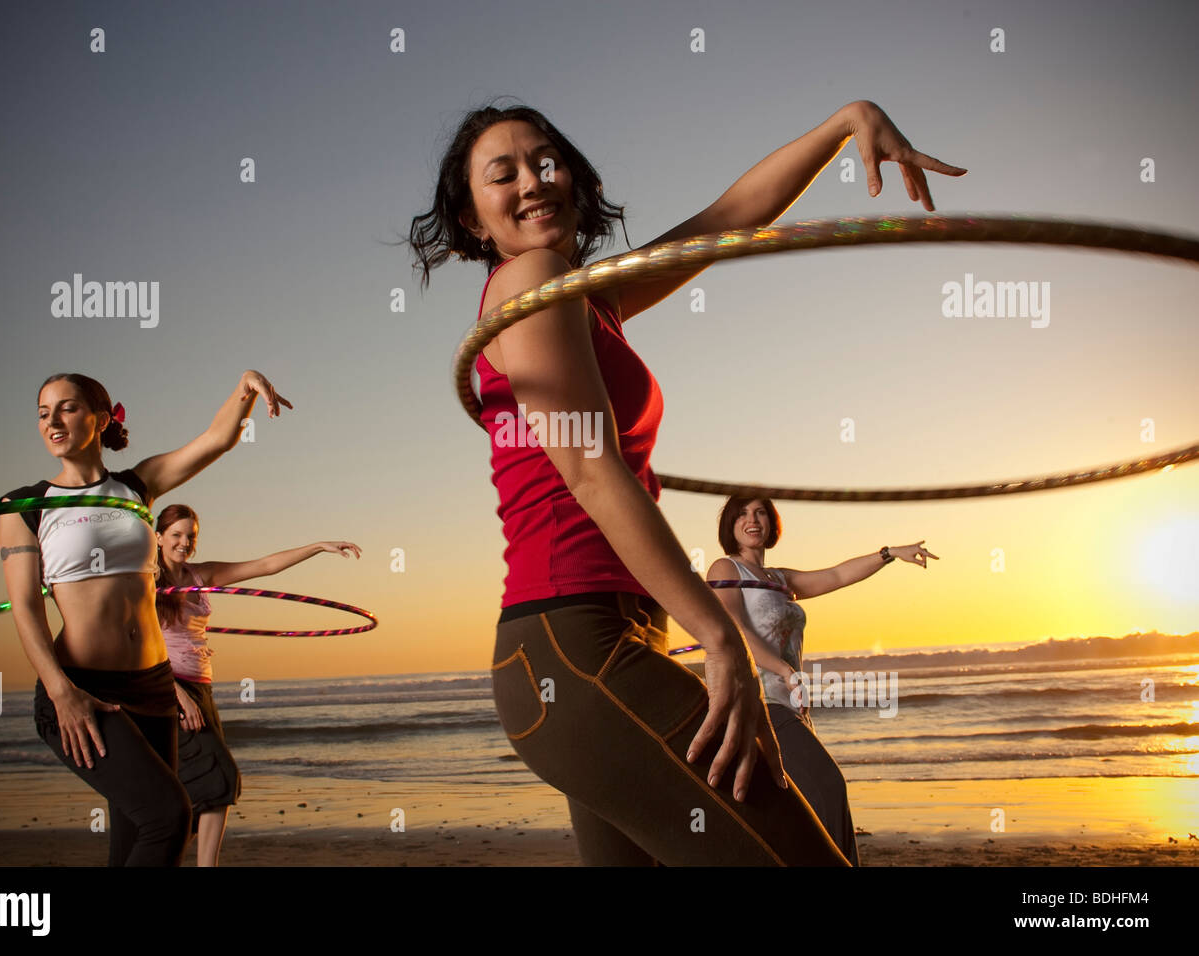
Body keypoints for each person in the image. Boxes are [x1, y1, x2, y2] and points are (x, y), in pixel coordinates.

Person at [406, 98, 963, 865]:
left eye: (546, 161)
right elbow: (595, 475)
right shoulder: (529, 281)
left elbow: (726, 219)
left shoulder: (586, 299)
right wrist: (721, 638)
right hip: (577, 647)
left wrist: (844, 123)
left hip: (581, 657)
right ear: (474, 218)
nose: (533, 182)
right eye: (503, 175)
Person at [0, 370, 291, 866]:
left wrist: (243, 390)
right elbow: (26, 606)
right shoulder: (25, 506)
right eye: (43, 412)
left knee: (137, 839)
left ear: (101, 418)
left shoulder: (138, 486)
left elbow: (216, 441)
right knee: (169, 815)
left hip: (153, 687)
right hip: (83, 689)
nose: (52, 421)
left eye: (67, 408)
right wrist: (61, 692)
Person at [707, 496, 938, 864]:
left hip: (791, 707)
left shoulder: (781, 579)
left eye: (761, 512)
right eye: (743, 514)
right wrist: (784, 670)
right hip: (760, 704)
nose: (753, 519)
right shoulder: (728, 569)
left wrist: (889, 553)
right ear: (730, 526)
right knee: (829, 788)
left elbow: (836, 575)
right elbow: (734, 633)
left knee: (795, 814)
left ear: (771, 523)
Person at [154, 502, 361, 866]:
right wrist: (178, 696)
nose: (184, 543)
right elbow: (138, 646)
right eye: (176, 535)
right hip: (170, 689)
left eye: (191, 536)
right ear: (158, 537)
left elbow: (263, 566)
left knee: (194, 793)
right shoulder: (145, 583)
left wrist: (317, 546)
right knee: (220, 781)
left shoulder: (201, 574)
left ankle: (154, 857)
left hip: (201, 688)